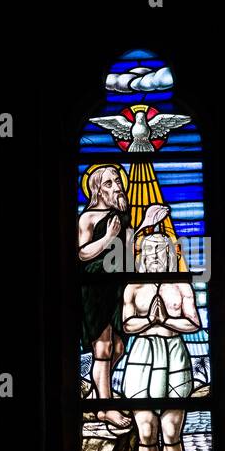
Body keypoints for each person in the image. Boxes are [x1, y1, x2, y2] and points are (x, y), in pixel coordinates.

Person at [77, 165, 168, 429]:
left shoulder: (121, 215)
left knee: (118, 347)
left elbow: (127, 247)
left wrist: (145, 225)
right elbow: (82, 254)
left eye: (117, 180)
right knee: (103, 348)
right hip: (94, 286)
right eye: (108, 183)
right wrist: (107, 237)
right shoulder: (88, 218)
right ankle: (104, 407)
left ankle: (98, 392)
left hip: (117, 285)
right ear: (96, 190)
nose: (116, 186)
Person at [120, 232, 201, 451]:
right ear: (142, 255)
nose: (154, 256)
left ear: (169, 254)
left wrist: (167, 321)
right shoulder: (133, 286)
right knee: (145, 430)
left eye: (160, 250)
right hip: (142, 354)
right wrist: (149, 320)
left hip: (174, 352)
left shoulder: (181, 286)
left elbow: (194, 323)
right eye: (149, 250)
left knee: (171, 429)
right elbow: (126, 325)